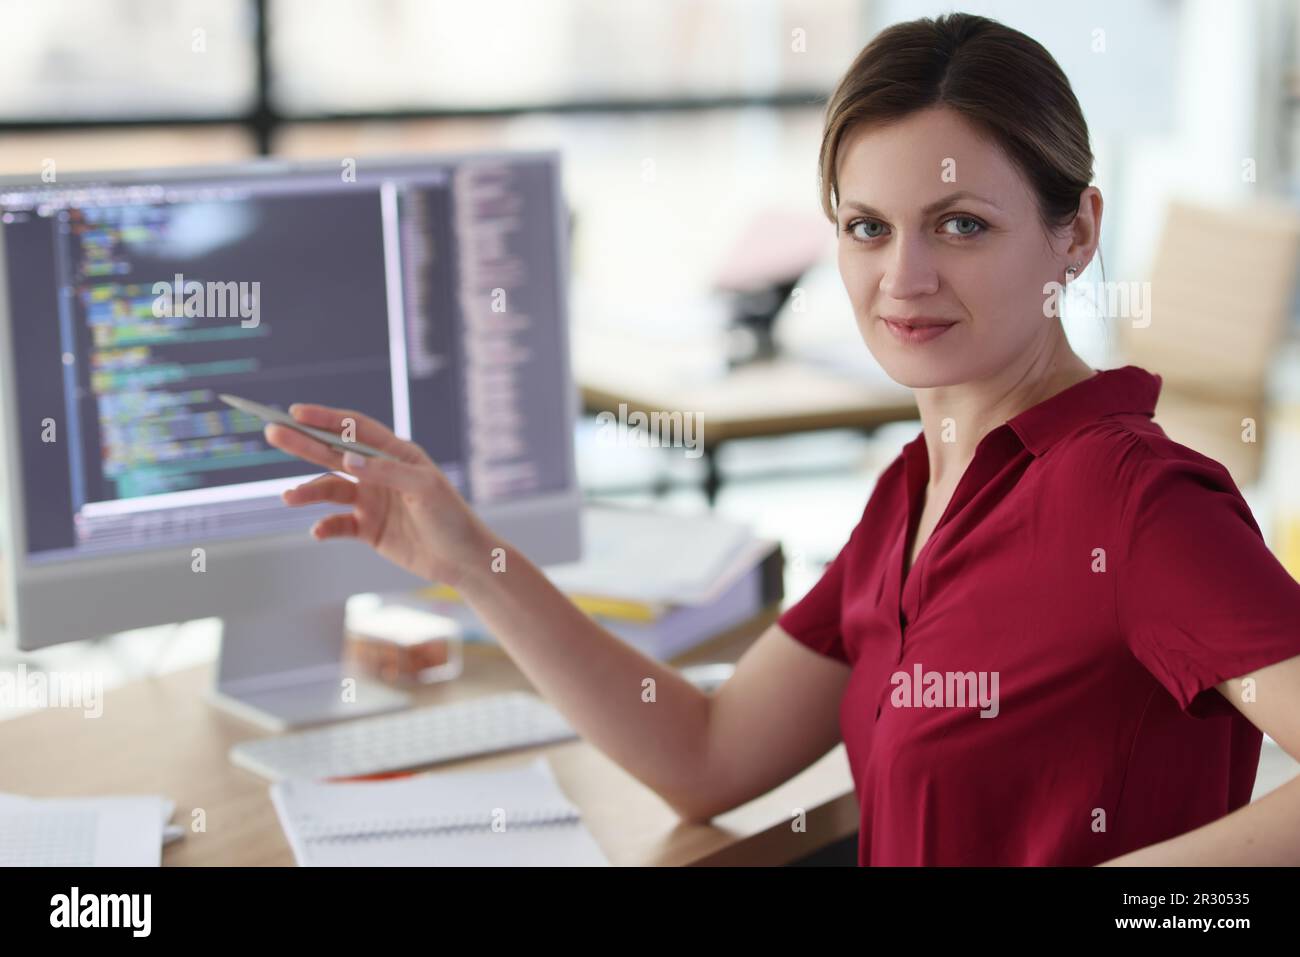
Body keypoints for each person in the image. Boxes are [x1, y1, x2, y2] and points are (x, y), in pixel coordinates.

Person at [264, 12, 1300, 866]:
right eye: (867, 227)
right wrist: (469, 559)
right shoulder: (910, 497)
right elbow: (706, 756)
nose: (904, 279)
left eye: (961, 225)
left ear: (1074, 231)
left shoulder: (1136, 501)